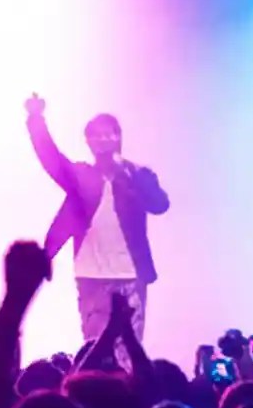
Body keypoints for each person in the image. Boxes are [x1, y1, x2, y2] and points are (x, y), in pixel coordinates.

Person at [24, 93, 169, 345]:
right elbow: (51, 158)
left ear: (119, 138)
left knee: (130, 352)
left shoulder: (136, 174)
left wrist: (133, 175)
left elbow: (159, 204)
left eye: (109, 134)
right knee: (96, 349)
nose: (103, 140)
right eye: (96, 135)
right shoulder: (80, 176)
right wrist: (36, 119)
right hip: (91, 276)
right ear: (88, 142)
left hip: (131, 276)